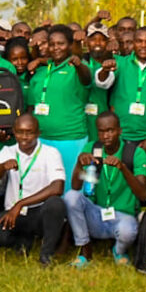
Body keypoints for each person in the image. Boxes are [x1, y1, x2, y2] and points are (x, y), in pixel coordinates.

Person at [61, 113, 145, 267]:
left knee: (128, 232)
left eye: (110, 130)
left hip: (122, 215)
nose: (106, 135)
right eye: (101, 131)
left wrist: (123, 168)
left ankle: (119, 252)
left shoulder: (135, 153)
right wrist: (80, 165)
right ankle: (85, 251)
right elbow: (76, 187)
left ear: (119, 131)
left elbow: (142, 194)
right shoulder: (92, 148)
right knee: (71, 197)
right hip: (96, 213)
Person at [0, 114, 68, 266]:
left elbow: (58, 187)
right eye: (20, 132)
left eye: (29, 132)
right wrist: (3, 167)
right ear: (14, 132)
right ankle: (23, 240)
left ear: (38, 133)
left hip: (39, 212)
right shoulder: (7, 151)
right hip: (14, 214)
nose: (24, 137)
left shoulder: (50, 153)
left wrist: (21, 204)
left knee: (56, 204)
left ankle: (46, 255)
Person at [23, 25, 93, 180]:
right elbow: (31, 106)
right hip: (41, 139)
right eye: (52, 44)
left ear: (69, 45)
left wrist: (79, 64)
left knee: (69, 186)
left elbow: (87, 79)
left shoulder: (77, 68)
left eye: (60, 44)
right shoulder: (41, 70)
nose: (55, 48)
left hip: (70, 139)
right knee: (45, 185)